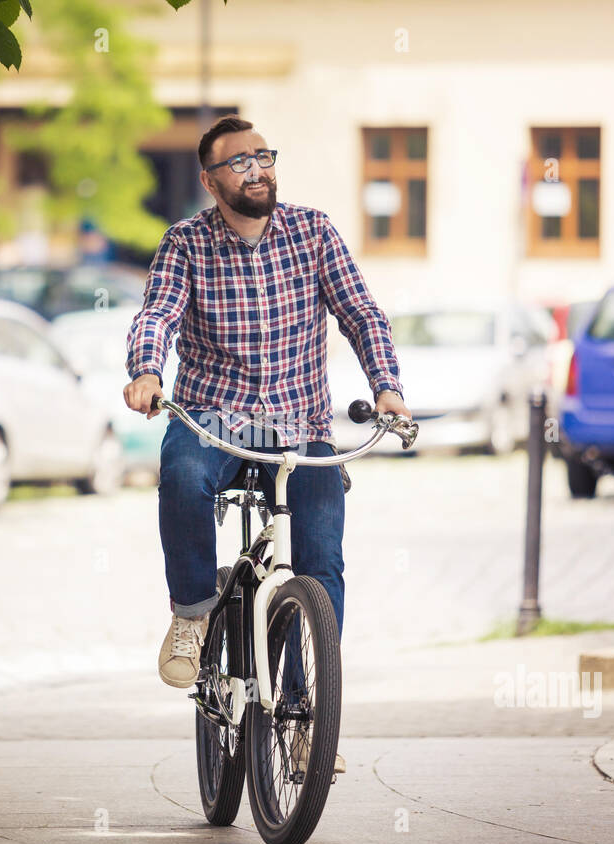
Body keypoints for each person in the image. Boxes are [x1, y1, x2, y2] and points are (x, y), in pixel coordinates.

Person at [123, 115, 411, 775]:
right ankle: (193, 614)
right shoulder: (186, 242)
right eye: (238, 163)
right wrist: (146, 371)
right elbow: (159, 313)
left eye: (263, 157)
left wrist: (387, 387)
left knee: (322, 565)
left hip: (300, 424)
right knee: (183, 475)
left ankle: (306, 711)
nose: (256, 170)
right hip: (213, 415)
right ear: (209, 180)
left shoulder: (313, 232)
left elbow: (361, 313)